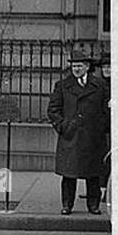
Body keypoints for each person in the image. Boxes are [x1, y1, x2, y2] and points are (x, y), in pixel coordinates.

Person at [47, 51, 111, 215]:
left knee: (93, 175)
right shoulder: (62, 85)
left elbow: (106, 109)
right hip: (71, 136)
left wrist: (101, 127)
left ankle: (93, 206)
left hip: (93, 137)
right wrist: (64, 126)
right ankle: (67, 205)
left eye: (79, 66)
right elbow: (53, 110)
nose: (76, 69)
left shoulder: (100, 86)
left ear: (87, 67)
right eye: (74, 66)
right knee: (69, 174)